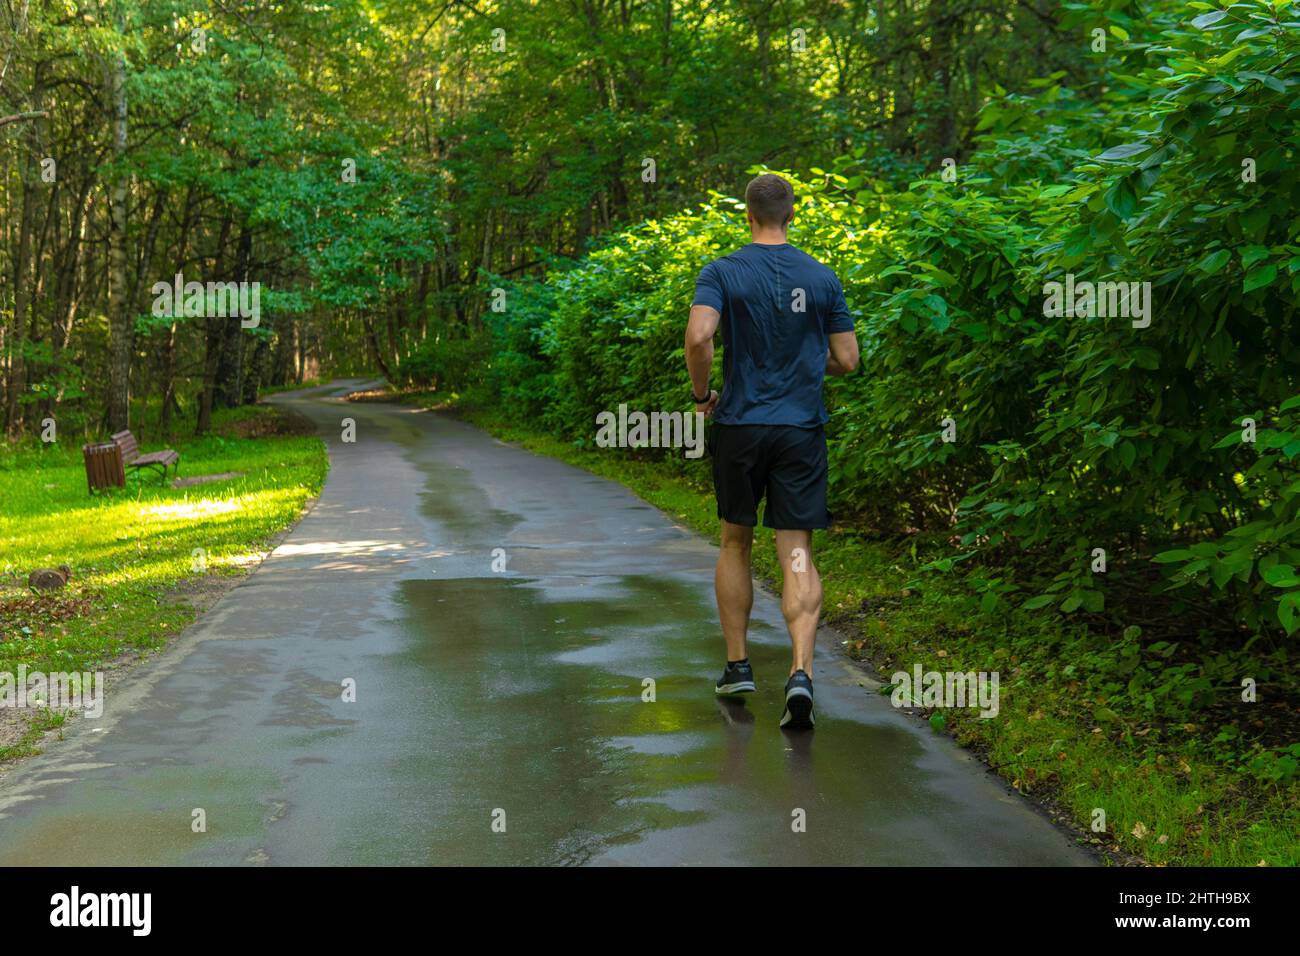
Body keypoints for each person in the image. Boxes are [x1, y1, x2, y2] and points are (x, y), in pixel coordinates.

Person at [684, 172, 859, 730]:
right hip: (800, 428)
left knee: (735, 539)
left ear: (747, 214)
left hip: (739, 423)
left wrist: (701, 394)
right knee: (797, 549)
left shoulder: (722, 271)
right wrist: (806, 366)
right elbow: (848, 360)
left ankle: (738, 666)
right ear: (792, 213)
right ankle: (801, 674)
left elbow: (698, 337)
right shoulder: (822, 276)